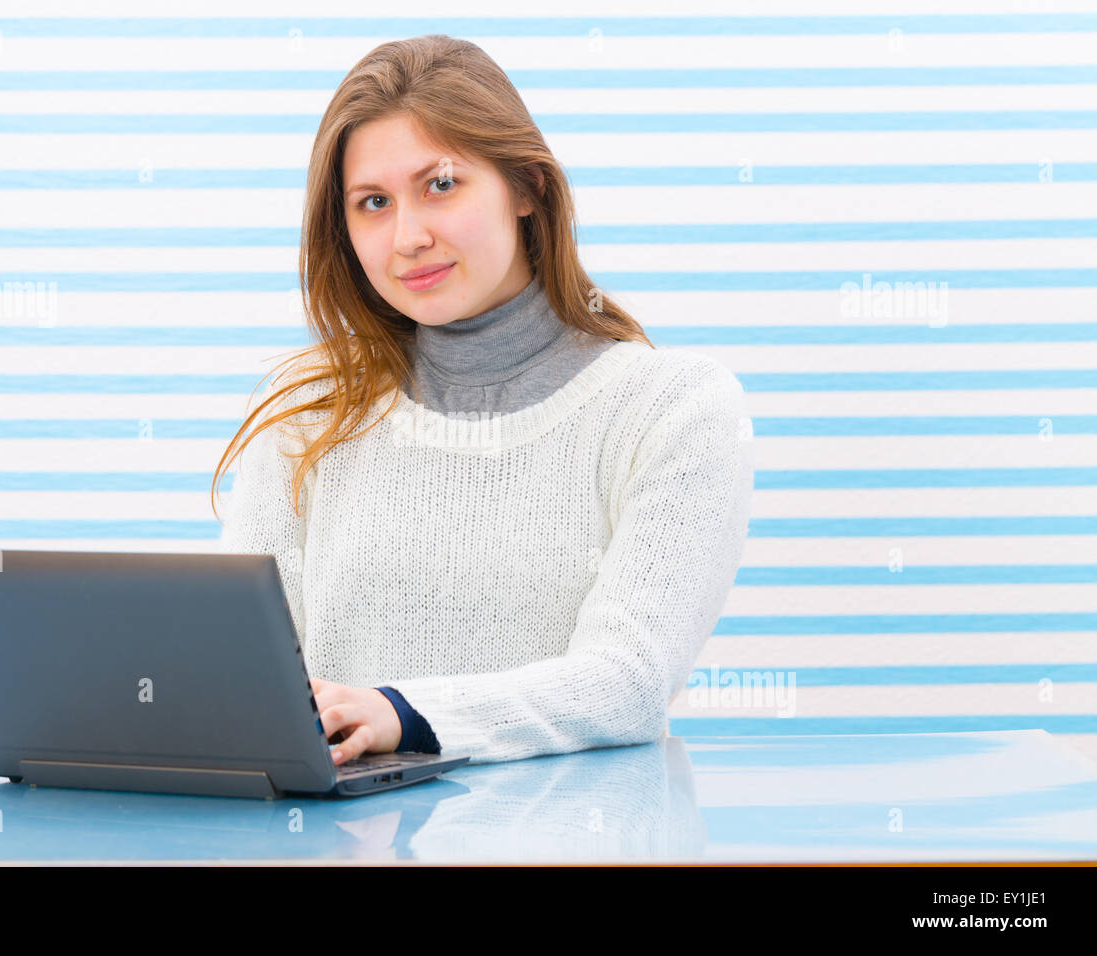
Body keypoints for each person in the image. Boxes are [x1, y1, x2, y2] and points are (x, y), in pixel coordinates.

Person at [213, 34, 754, 767]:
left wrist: (401, 714)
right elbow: (245, 681)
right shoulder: (307, 409)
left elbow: (629, 682)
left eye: (441, 184)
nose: (408, 237)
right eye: (373, 203)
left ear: (527, 187)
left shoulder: (674, 408)